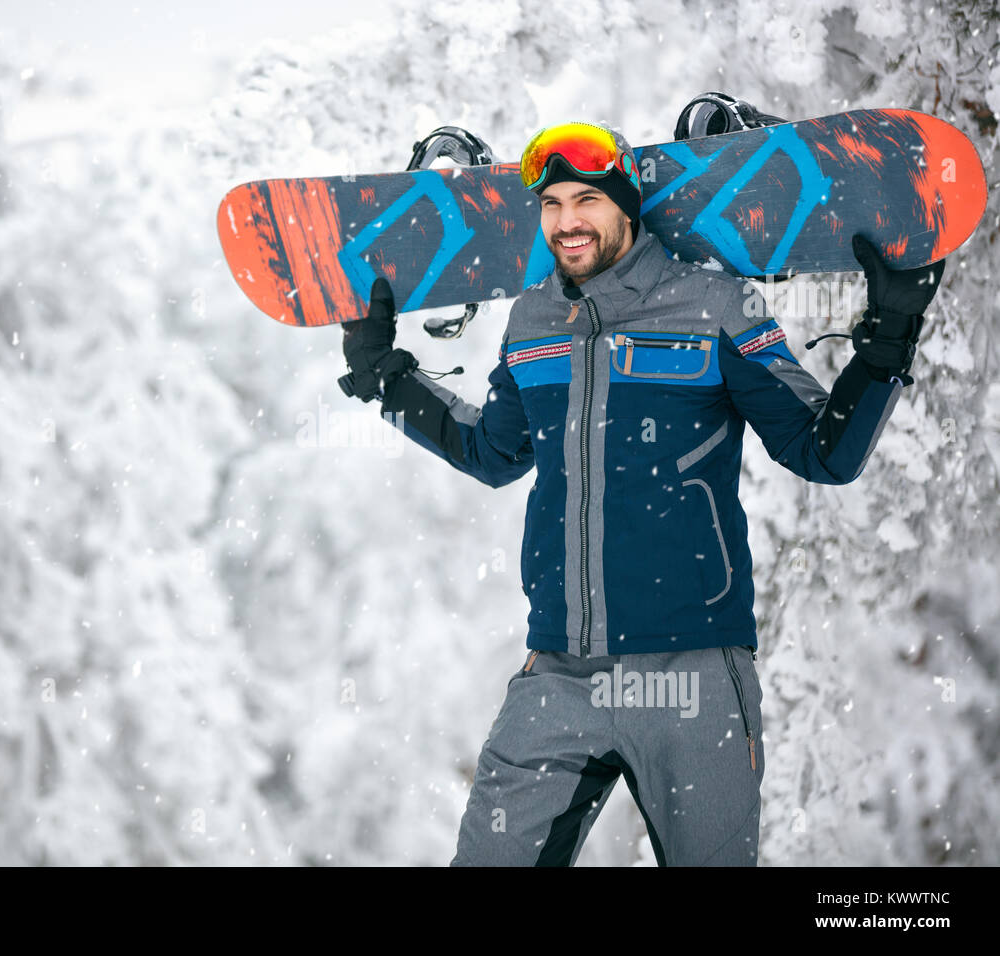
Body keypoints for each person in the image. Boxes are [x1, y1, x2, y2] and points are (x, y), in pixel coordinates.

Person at [339, 119, 946, 866]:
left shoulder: (715, 307)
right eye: (552, 203)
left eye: (586, 201)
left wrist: (888, 338)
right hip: (558, 675)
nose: (566, 221)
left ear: (627, 205)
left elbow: (822, 452)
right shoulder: (532, 321)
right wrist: (387, 382)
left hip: (694, 683)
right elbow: (493, 453)